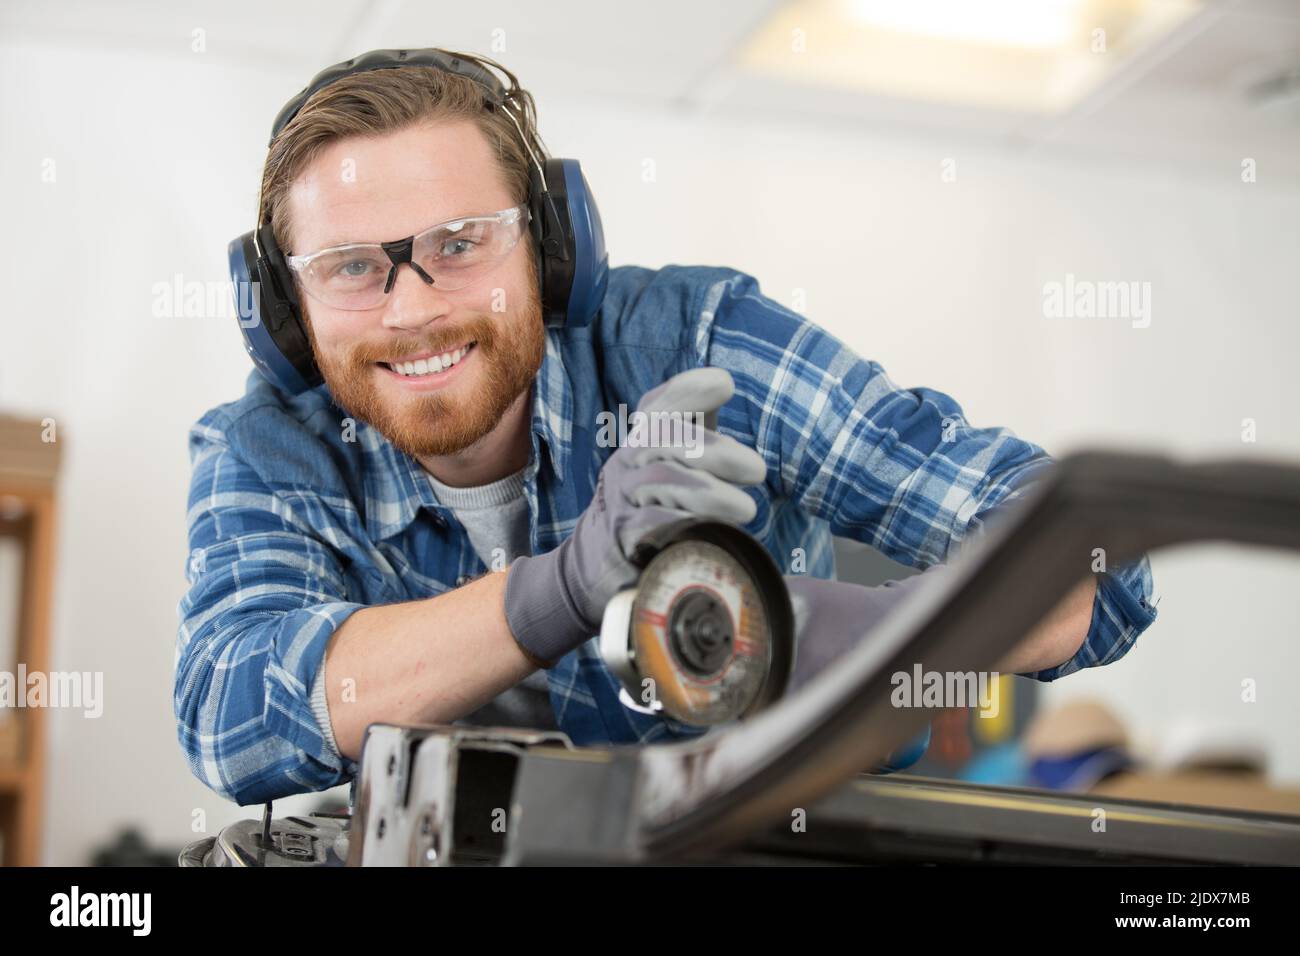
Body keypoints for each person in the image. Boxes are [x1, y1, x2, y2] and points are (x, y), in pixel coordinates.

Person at [175, 49, 1157, 806]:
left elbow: (1095, 550)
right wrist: (559, 588)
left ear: (552, 248)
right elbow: (232, 711)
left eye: (461, 242)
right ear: (282, 307)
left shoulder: (698, 342)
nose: (412, 306)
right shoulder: (265, 450)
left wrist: (882, 634)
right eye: (351, 265)